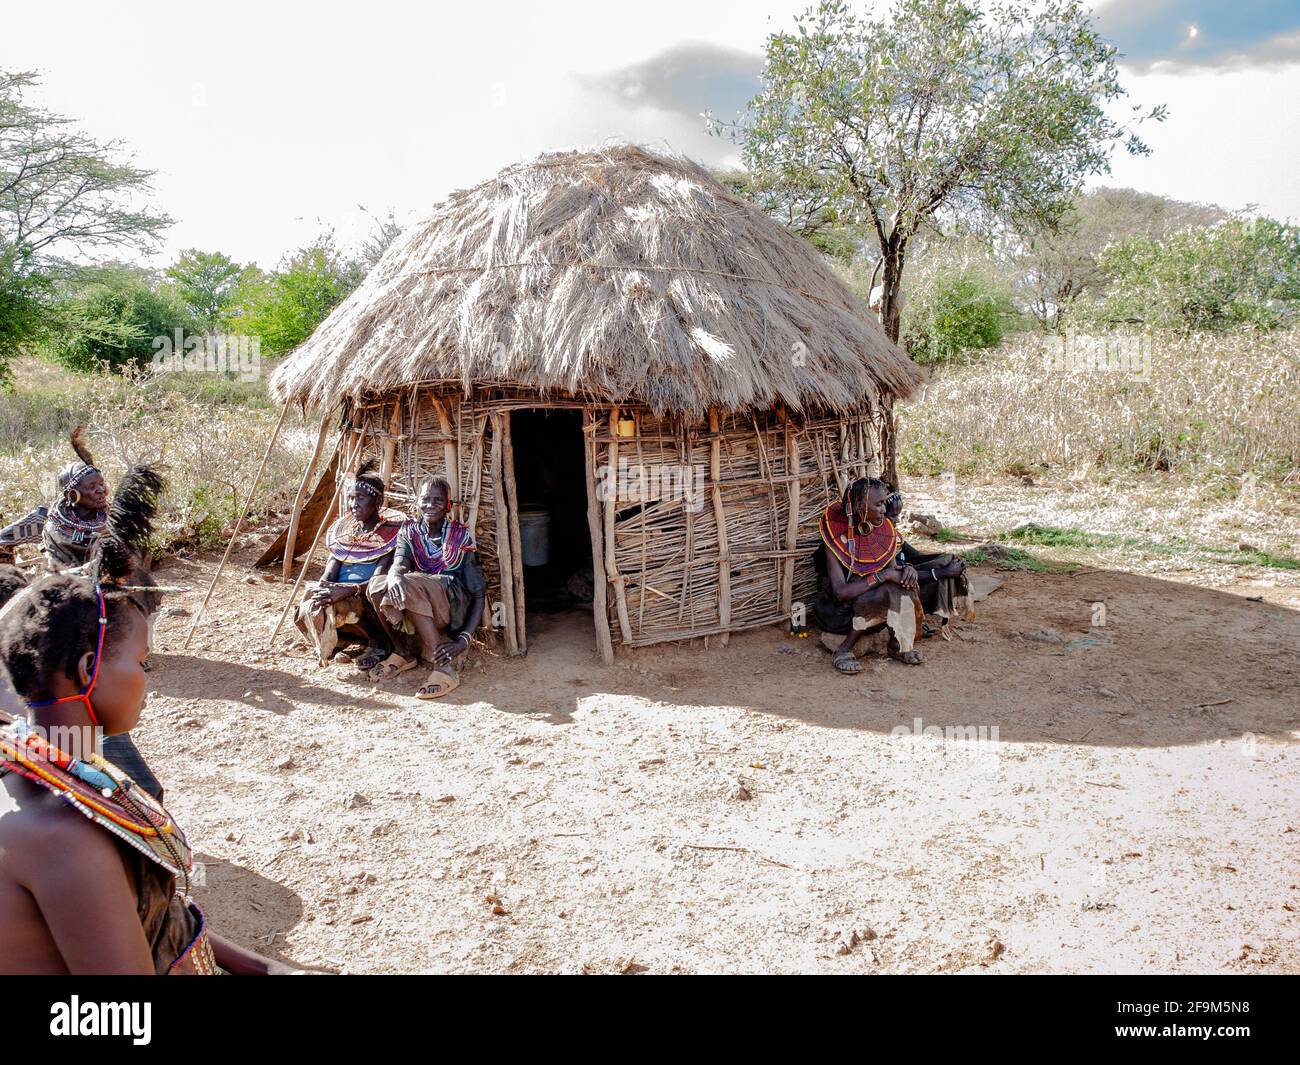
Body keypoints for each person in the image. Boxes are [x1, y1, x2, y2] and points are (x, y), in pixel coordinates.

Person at [0, 465, 298, 974]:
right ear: (89, 670)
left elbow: (158, 914)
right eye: (143, 663)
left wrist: (263, 968)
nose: (148, 679)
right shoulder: (68, 836)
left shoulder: (50, 767)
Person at [373, 476, 485, 699]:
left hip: (451, 608)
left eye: (438, 500)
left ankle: (445, 668)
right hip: (418, 599)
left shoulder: (459, 535)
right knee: (376, 585)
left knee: (409, 582)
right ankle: (403, 652)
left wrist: (463, 640)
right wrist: (395, 575)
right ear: (417, 502)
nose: (430, 505)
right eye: (425, 499)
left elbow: (479, 593)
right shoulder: (409, 532)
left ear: (448, 505)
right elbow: (400, 563)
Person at [295, 459, 404, 673]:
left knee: (368, 597)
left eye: (361, 498)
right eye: (352, 498)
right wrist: (323, 590)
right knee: (308, 605)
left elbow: (379, 579)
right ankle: (341, 639)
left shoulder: (391, 536)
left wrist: (347, 590)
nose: (354, 504)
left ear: (378, 502)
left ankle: (379, 643)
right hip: (339, 593)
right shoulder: (344, 534)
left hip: (365, 594)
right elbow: (329, 572)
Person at [812, 477, 926, 675]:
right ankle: (844, 649)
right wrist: (883, 576)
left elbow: (894, 572)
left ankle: (896, 643)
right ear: (859, 506)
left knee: (902, 585)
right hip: (840, 615)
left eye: (884, 503)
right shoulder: (835, 539)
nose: (884, 509)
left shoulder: (882, 533)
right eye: (879, 504)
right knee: (882, 589)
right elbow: (840, 592)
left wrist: (907, 571)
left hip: (873, 615)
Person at [42, 426, 109, 568]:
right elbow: (58, 572)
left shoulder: (112, 517)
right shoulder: (54, 531)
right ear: (72, 495)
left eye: (101, 484)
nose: (101, 490)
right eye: (92, 486)